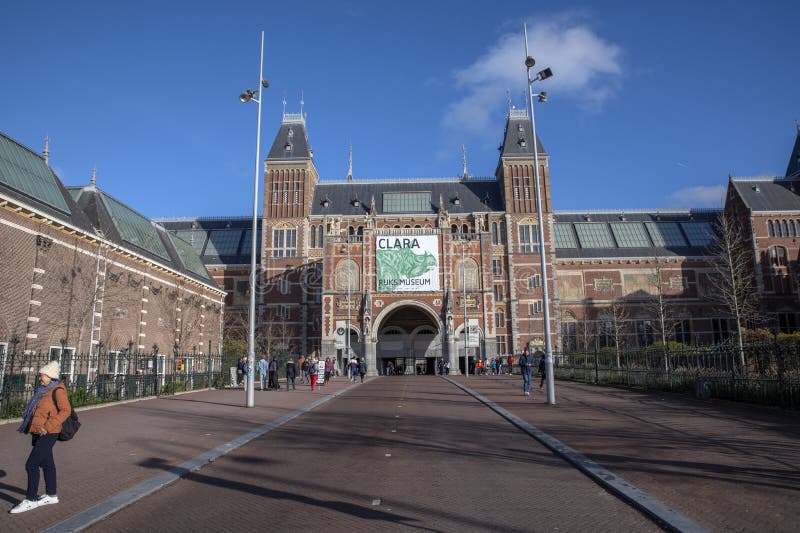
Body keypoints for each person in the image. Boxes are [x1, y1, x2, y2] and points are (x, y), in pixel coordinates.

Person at [10, 361, 70, 514]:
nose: (40, 377)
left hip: (49, 432)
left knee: (31, 464)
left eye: (42, 375)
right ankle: (51, 495)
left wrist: (47, 426)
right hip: (38, 431)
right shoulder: (43, 390)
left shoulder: (57, 391)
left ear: (50, 376)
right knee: (47, 463)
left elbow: (66, 411)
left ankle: (30, 500)